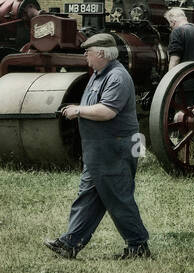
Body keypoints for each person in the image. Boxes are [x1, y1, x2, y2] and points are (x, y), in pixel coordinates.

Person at [44, 33, 151, 260]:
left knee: (118, 198)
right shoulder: (98, 75)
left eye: (88, 51)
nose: (85, 55)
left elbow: (107, 111)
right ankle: (70, 244)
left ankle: (138, 246)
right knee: (87, 197)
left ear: (101, 53)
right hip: (99, 150)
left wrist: (78, 110)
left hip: (115, 149)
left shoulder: (117, 77)